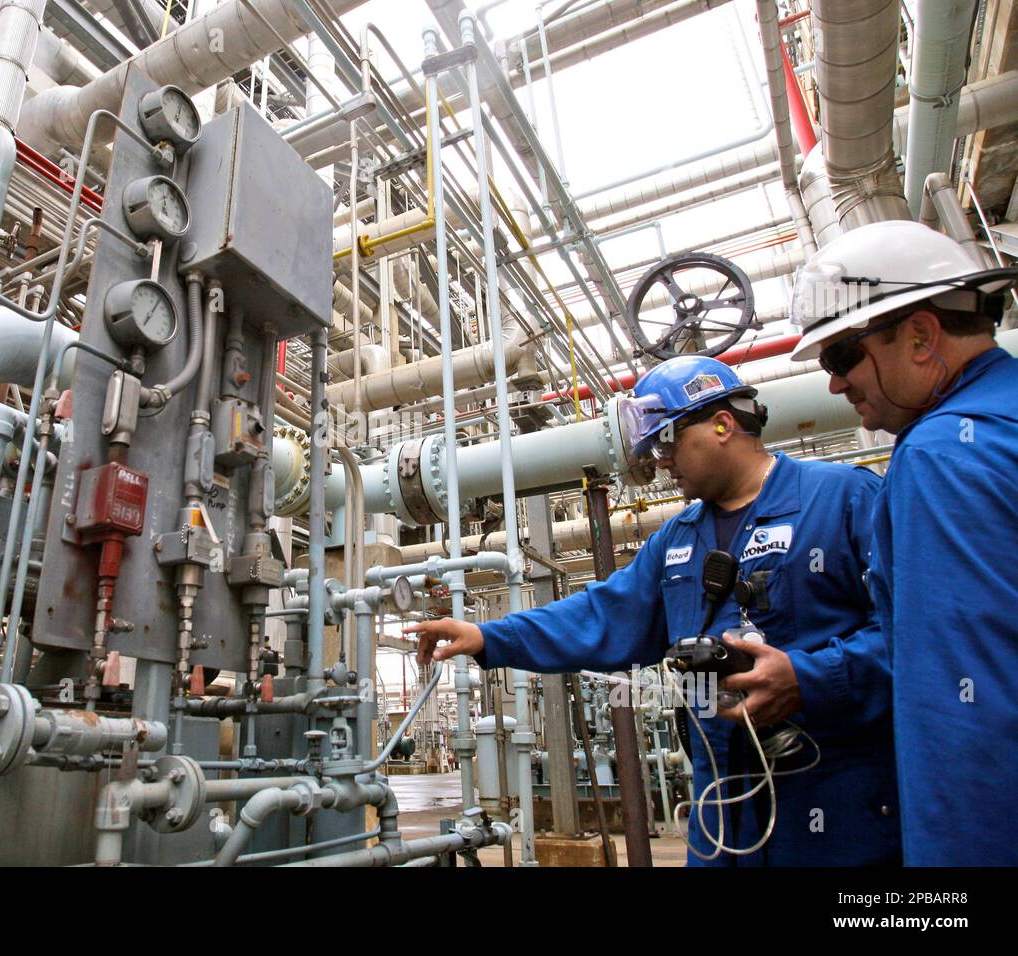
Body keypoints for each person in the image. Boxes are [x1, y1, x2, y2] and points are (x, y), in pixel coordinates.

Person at [404, 355, 899, 866]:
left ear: (723, 424)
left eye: (667, 442)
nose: (659, 460)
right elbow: (604, 613)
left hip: (833, 797)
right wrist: (490, 637)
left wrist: (809, 677)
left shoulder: (843, 499)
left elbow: (915, 638)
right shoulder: (679, 539)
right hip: (720, 801)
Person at [789, 219, 1018, 866]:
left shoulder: (943, 457)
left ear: (920, 336)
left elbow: (966, 707)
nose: (835, 384)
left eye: (841, 356)